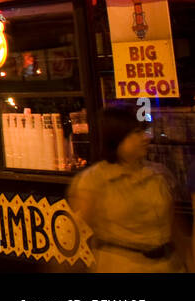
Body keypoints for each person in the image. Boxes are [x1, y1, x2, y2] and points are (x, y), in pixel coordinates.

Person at [69, 107, 186, 273]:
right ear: (117, 139)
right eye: (136, 133)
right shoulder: (94, 180)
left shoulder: (158, 174)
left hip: (167, 266)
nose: (146, 138)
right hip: (123, 267)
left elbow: (174, 225)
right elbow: (74, 233)